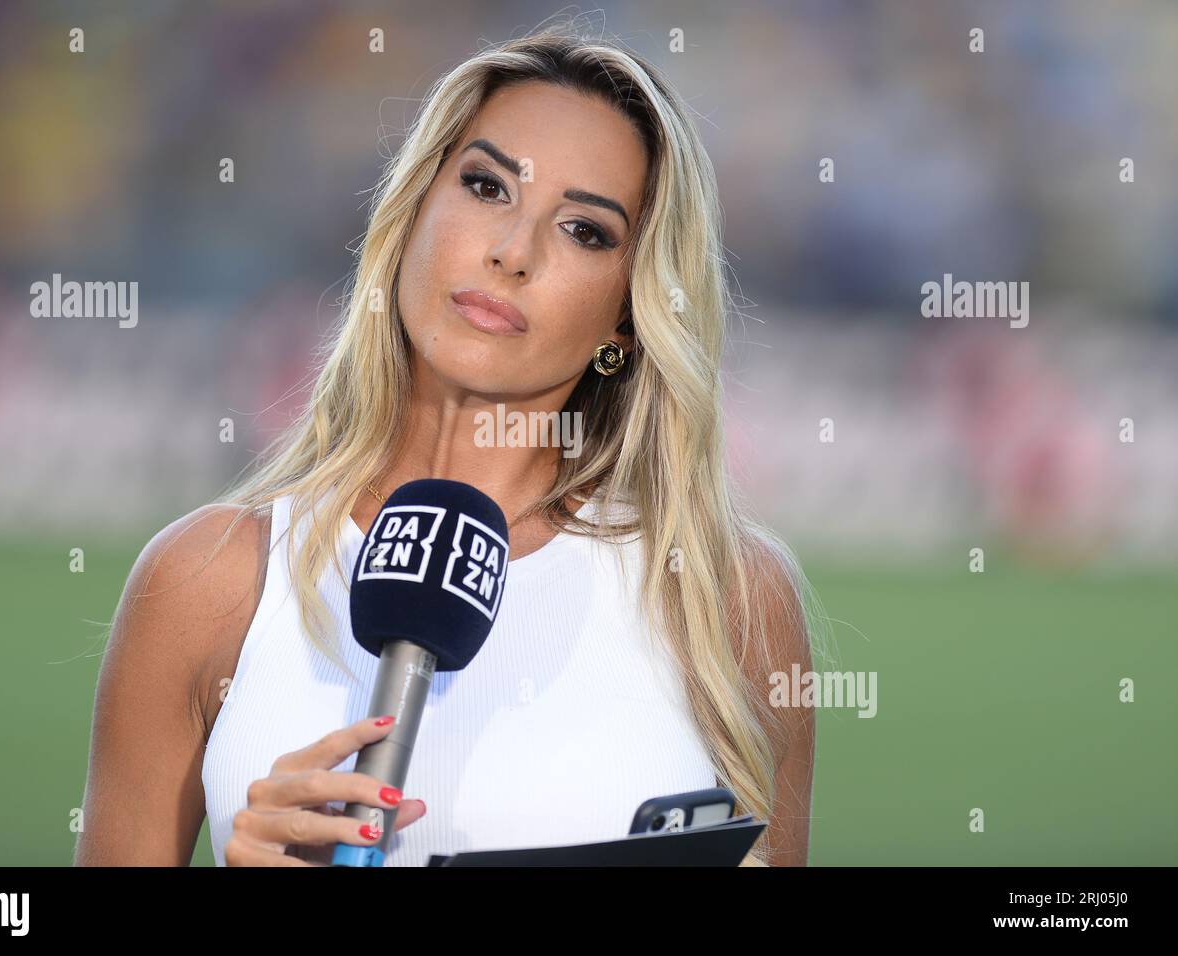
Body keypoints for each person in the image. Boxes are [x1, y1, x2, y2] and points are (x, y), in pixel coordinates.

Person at [75, 22, 819, 868]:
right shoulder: (205, 581)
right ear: (413, 212)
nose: (513, 252)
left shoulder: (727, 596)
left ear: (628, 313)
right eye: (486, 186)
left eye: (585, 231)